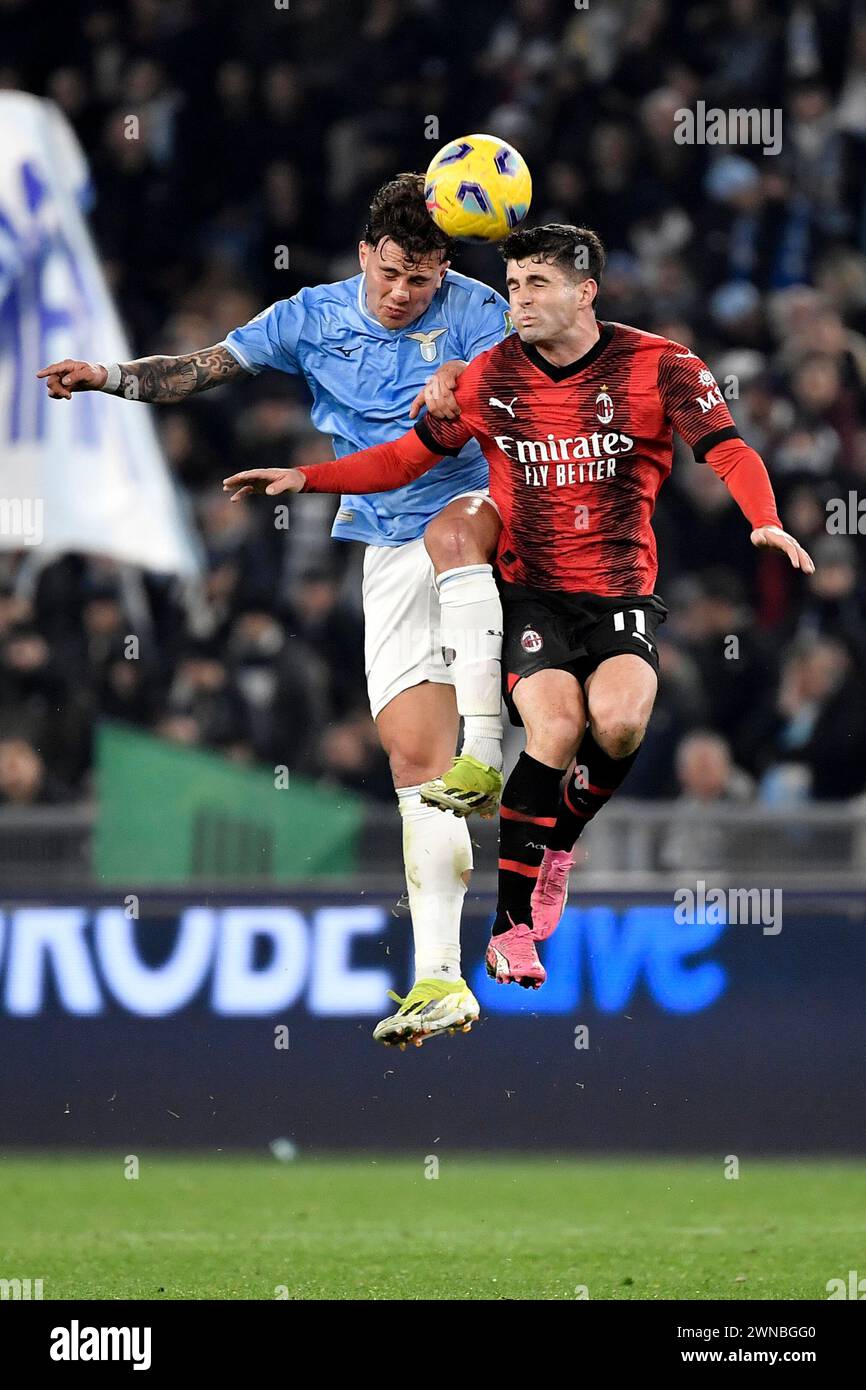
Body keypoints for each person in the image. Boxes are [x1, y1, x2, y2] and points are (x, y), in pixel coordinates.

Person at [223, 222, 815, 989]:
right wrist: (308, 477)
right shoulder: (488, 377)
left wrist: (763, 516)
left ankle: (558, 846)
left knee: (625, 719)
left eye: (536, 284)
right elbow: (408, 457)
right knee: (557, 726)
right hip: (529, 590)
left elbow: (727, 449)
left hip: (619, 590)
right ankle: (509, 931)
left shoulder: (660, 366)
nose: (519, 301)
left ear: (584, 291)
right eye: (511, 287)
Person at [37, 174, 514, 1047]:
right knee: (416, 768)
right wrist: (105, 375)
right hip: (390, 545)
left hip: (492, 520)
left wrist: (469, 374)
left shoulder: (483, 309)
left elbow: (545, 365)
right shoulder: (309, 318)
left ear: (447, 267)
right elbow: (199, 370)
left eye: (424, 278)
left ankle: (496, 746)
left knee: (459, 536)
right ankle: (441, 977)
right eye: (393, 274)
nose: (406, 294)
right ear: (366, 254)